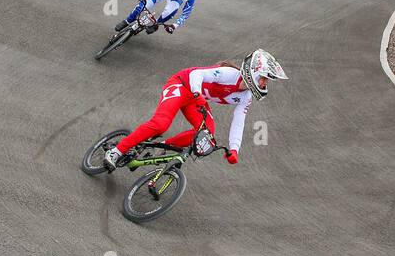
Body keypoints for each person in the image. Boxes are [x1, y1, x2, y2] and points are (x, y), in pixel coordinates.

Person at [103, 49, 288, 171]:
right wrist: (197, 92)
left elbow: (239, 121)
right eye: (264, 78)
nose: (265, 83)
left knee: (208, 134)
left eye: (267, 80)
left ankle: (163, 147)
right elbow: (196, 74)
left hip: (196, 99)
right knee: (160, 124)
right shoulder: (230, 74)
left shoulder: (246, 97)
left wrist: (234, 149)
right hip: (183, 86)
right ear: (254, 72)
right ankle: (116, 152)